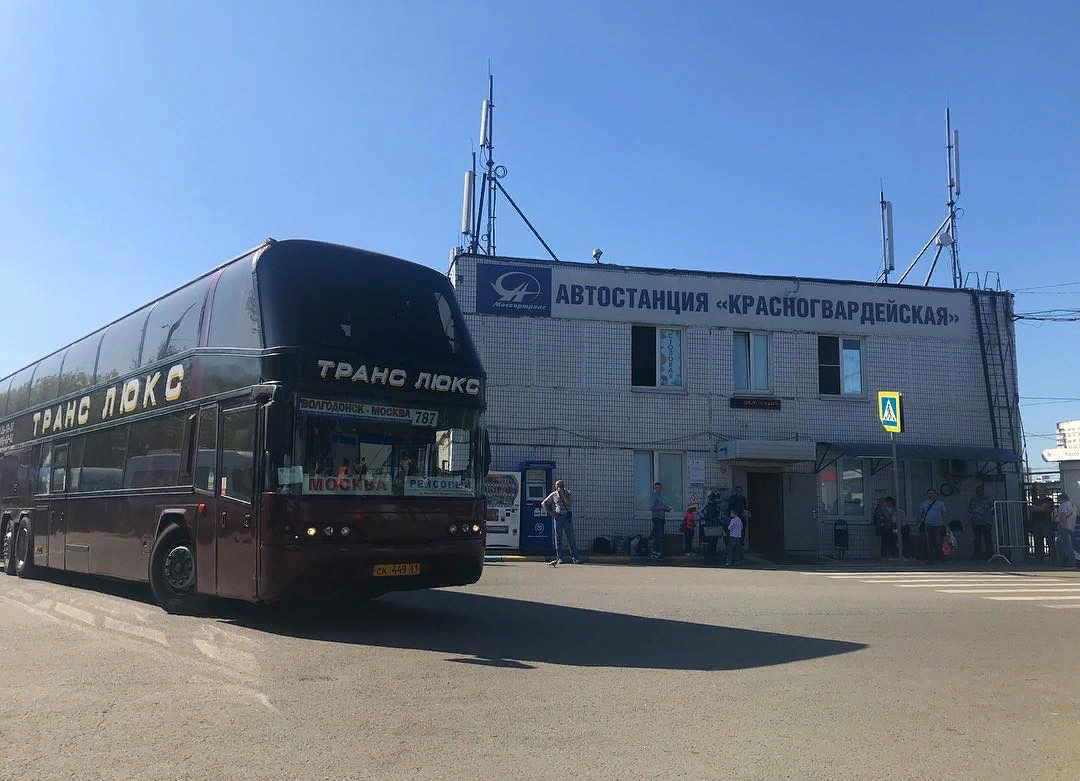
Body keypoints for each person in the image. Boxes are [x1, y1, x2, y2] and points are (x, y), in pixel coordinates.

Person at [543, 479, 580, 565]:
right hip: (558, 517)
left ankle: (575, 558)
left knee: (571, 538)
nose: (559, 488)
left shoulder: (568, 493)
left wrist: (562, 494)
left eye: (561, 486)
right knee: (558, 538)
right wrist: (551, 513)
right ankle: (559, 557)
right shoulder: (553, 495)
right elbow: (544, 503)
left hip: (567, 518)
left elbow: (569, 503)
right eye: (558, 486)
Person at [919, 489, 947, 564]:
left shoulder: (940, 503)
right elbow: (921, 514)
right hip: (928, 525)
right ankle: (930, 559)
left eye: (933, 493)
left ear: (935, 495)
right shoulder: (924, 503)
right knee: (929, 542)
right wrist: (919, 523)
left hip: (938, 525)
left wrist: (946, 525)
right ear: (927, 495)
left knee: (938, 542)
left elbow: (944, 514)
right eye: (929, 493)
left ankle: (941, 557)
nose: (931, 495)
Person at [968, 483, 995, 560]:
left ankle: (990, 554)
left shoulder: (988, 499)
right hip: (976, 522)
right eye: (978, 490)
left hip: (986, 522)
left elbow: (993, 509)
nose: (979, 492)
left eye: (981, 490)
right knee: (977, 539)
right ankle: (977, 554)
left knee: (988, 538)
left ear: (983, 491)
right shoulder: (973, 499)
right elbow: (969, 510)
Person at [649, 482, 672, 561]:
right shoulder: (654, 496)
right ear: (655, 488)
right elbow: (651, 507)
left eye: (659, 487)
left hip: (661, 518)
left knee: (658, 535)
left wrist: (666, 509)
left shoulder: (661, 497)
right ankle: (657, 553)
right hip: (656, 518)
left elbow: (661, 507)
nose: (658, 489)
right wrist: (662, 508)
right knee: (659, 535)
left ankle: (656, 552)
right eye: (656, 487)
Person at [1054, 494, 1077, 568]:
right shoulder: (1072, 505)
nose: (1057, 501)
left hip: (1064, 527)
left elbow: (1063, 516)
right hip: (1071, 527)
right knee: (1060, 544)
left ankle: (1071, 562)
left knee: (1066, 546)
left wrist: (1061, 525)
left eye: (1058, 499)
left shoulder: (1063, 505)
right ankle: (1062, 561)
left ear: (1062, 498)